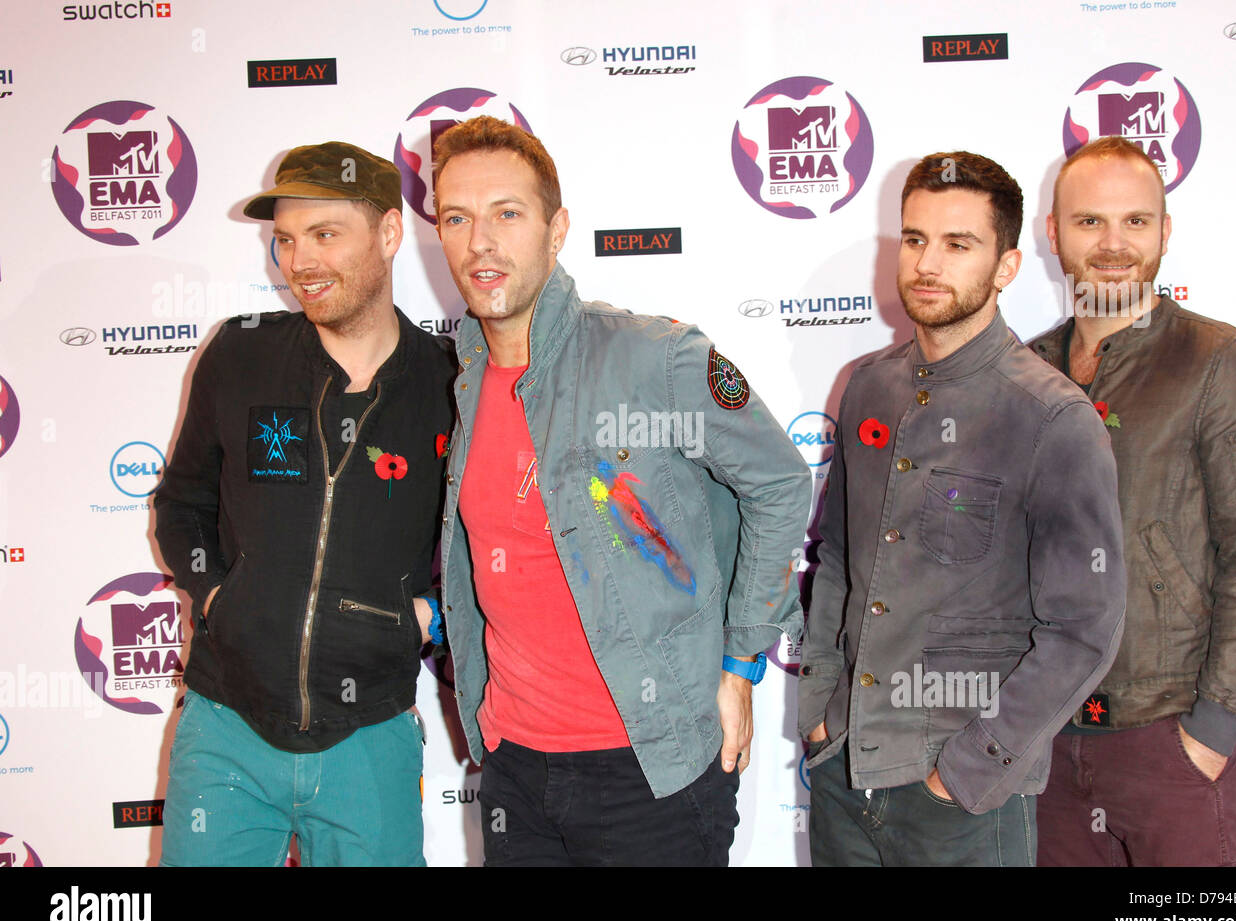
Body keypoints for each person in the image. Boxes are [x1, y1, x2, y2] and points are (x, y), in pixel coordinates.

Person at [431, 116, 809, 866]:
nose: (481, 242)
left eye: (507, 214)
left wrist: (741, 663)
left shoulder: (654, 357)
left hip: (651, 774)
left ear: (557, 227)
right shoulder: (463, 379)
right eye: (456, 217)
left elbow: (779, 485)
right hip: (515, 771)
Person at [799, 151, 1127, 866]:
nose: (928, 263)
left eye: (958, 244)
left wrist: (968, 770)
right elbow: (836, 564)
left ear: (1007, 266)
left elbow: (1083, 630)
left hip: (962, 802)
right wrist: (821, 709)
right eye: (915, 239)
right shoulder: (866, 390)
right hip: (844, 773)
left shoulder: (1052, 420)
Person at [153, 141, 458, 866]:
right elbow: (181, 502)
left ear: (388, 233)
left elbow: (488, 537)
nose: (300, 263)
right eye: (285, 241)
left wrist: (432, 614)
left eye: (325, 235)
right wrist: (219, 594)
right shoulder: (240, 353)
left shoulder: (449, 384)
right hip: (225, 727)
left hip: (370, 737)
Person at [1030, 135, 1236, 866]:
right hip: (1045, 741)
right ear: (1053, 234)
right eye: (1090, 223)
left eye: (1136, 222)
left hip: (1169, 738)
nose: (1114, 244)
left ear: (1165, 232)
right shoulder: (1028, 371)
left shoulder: (1215, 363)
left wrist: (1212, 729)